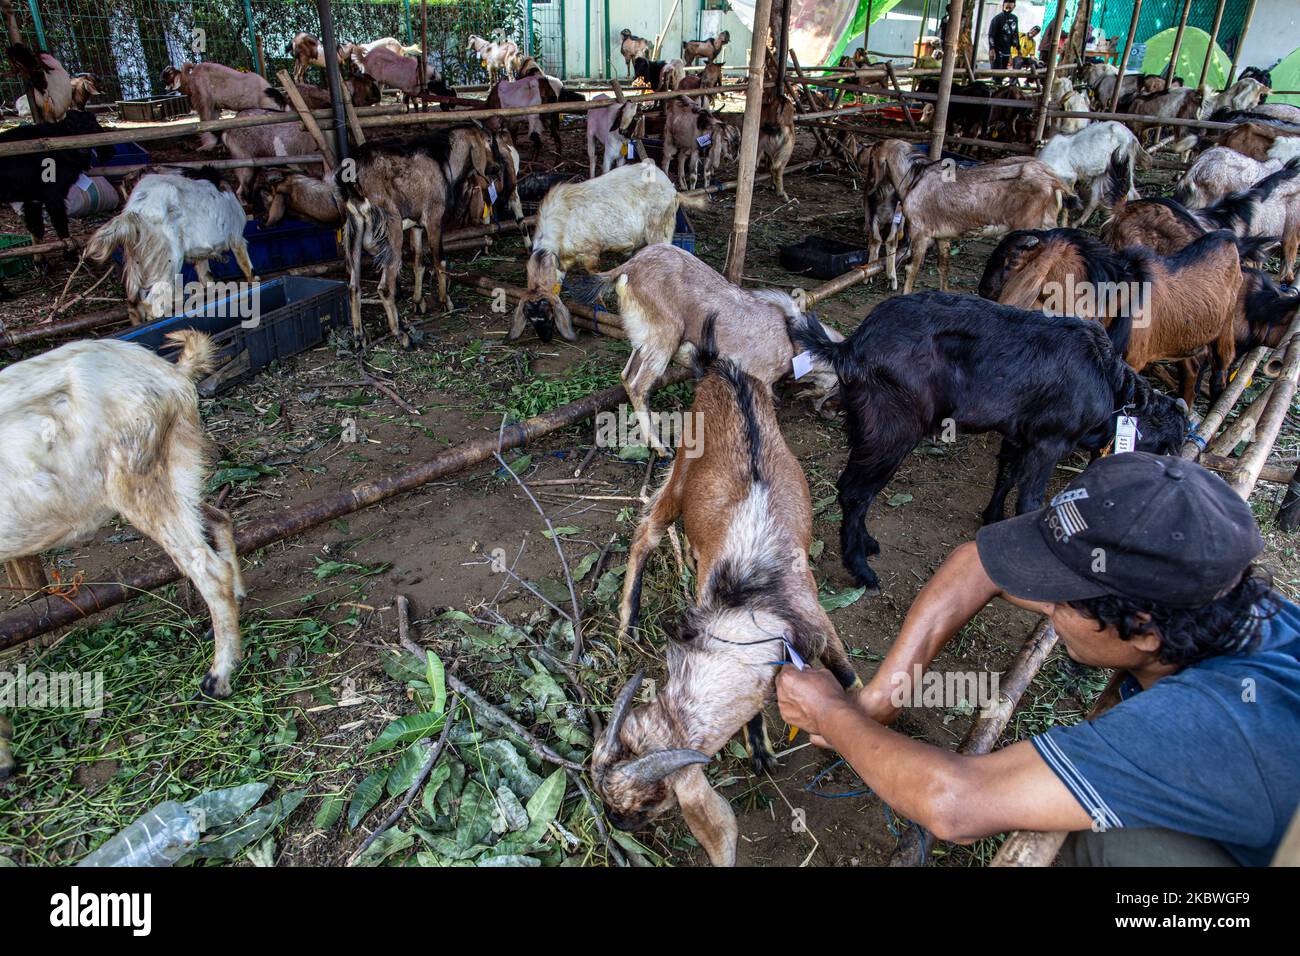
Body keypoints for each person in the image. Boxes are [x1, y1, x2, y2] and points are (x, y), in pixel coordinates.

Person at [776, 453, 1300, 865]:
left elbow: (955, 804)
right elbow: (978, 564)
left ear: (1141, 628)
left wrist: (831, 713)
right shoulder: (1228, 609)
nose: (1041, 605)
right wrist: (883, 697)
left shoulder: (1198, 723)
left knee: (1107, 845)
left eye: (1058, 600)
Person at [988, 0, 1020, 70]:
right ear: (1003, 5)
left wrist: (1018, 48)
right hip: (997, 50)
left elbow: (1015, 33)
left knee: (1003, 72)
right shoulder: (997, 18)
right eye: (1007, 4)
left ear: (1014, 6)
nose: (1009, 6)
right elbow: (991, 35)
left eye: (1011, 3)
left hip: (1007, 50)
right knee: (996, 73)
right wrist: (992, 49)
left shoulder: (1014, 18)